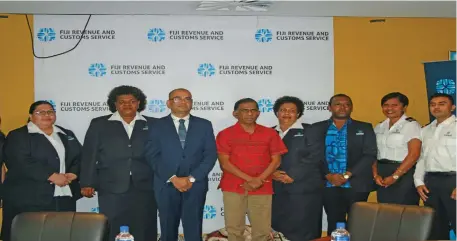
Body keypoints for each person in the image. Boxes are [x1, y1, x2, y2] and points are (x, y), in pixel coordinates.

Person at [80, 85, 157, 241]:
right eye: (122, 101)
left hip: (145, 185)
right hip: (110, 185)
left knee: (144, 225)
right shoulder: (99, 124)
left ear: (139, 103)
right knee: (112, 226)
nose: (127, 105)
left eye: (132, 101)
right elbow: (89, 155)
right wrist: (87, 182)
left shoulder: (154, 124)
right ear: (114, 104)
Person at [1, 101, 82, 241]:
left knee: (60, 235)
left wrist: (74, 173)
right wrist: (50, 176)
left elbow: (80, 157)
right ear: (31, 116)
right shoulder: (18, 135)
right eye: (40, 112)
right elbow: (19, 162)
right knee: (29, 235)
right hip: (28, 198)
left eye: (50, 111)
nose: (47, 115)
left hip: (63, 196)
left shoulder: (65, 134)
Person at [145, 88, 217, 241]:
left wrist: (191, 178)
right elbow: (152, 155)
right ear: (169, 103)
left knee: (194, 228)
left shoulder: (204, 125)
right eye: (178, 98)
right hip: (166, 184)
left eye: (187, 98)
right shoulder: (156, 125)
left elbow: (210, 154)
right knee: (167, 228)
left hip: (195, 184)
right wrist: (173, 178)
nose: (183, 102)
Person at [216, 98, 288, 241]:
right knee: (234, 230)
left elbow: (276, 160)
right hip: (233, 186)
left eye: (253, 110)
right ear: (235, 113)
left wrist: (259, 180)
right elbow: (225, 163)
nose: (250, 113)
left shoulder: (270, 133)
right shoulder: (225, 134)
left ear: (258, 113)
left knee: (262, 230)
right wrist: (251, 180)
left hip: (262, 186)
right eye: (245, 110)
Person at [310, 94, 377, 234]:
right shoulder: (316, 128)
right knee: (335, 222)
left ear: (351, 107)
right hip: (328, 184)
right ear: (329, 107)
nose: (342, 107)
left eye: (346, 104)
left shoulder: (364, 127)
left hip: (356, 183)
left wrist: (347, 175)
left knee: (358, 222)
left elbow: (369, 154)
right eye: (338, 104)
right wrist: (328, 175)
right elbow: (313, 155)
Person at [270, 96, 323, 241]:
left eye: (292, 111)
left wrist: (292, 175)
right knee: (278, 229)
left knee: (304, 229)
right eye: (283, 110)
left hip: (303, 189)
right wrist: (271, 173)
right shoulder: (269, 132)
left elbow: (315, 156)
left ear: (298, 114)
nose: (287, 113)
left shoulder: (310, 130)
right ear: (276, 113)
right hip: (276, 189)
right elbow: (261, 158)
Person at [414, 93, 456, 240]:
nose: (436, 107)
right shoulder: (425, 130)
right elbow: (422, 158)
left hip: (453, 181)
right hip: (431, 182)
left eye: (442, 103)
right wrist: (418, 182)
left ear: (453, 107)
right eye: (433, 104)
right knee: (435, 226)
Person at [372, 92, 421, 205]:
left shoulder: (411, 125)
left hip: (403, 172)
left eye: (394, 105)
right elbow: (374, 152)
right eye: (385, 105)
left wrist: (395, 176)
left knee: (405, 211)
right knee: (385, 210)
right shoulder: (379, 126)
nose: (389, 108)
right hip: (382, 172)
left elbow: (414, 154)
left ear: (404, 107)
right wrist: (375, 175)